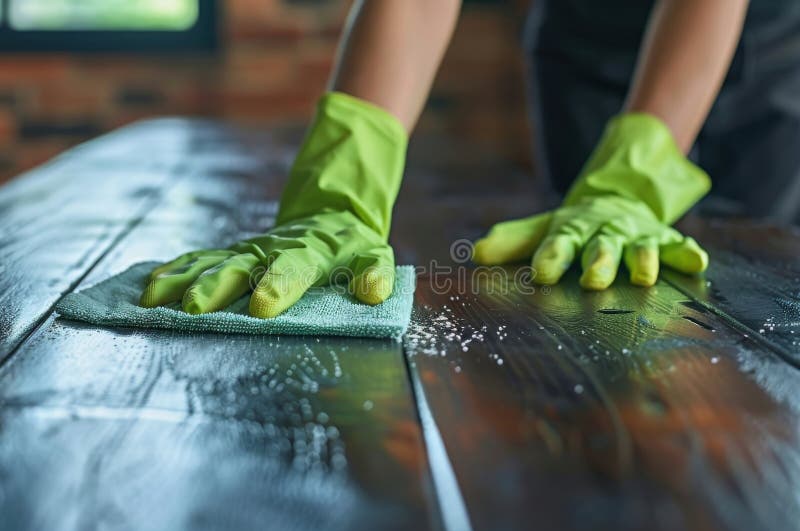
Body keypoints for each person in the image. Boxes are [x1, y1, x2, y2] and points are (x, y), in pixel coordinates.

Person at [139, 0, 799, 317]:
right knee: (598, 289)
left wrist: (634, 179)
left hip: (759, 50)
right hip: (582, 37)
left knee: (743, 293)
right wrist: (337, 194)